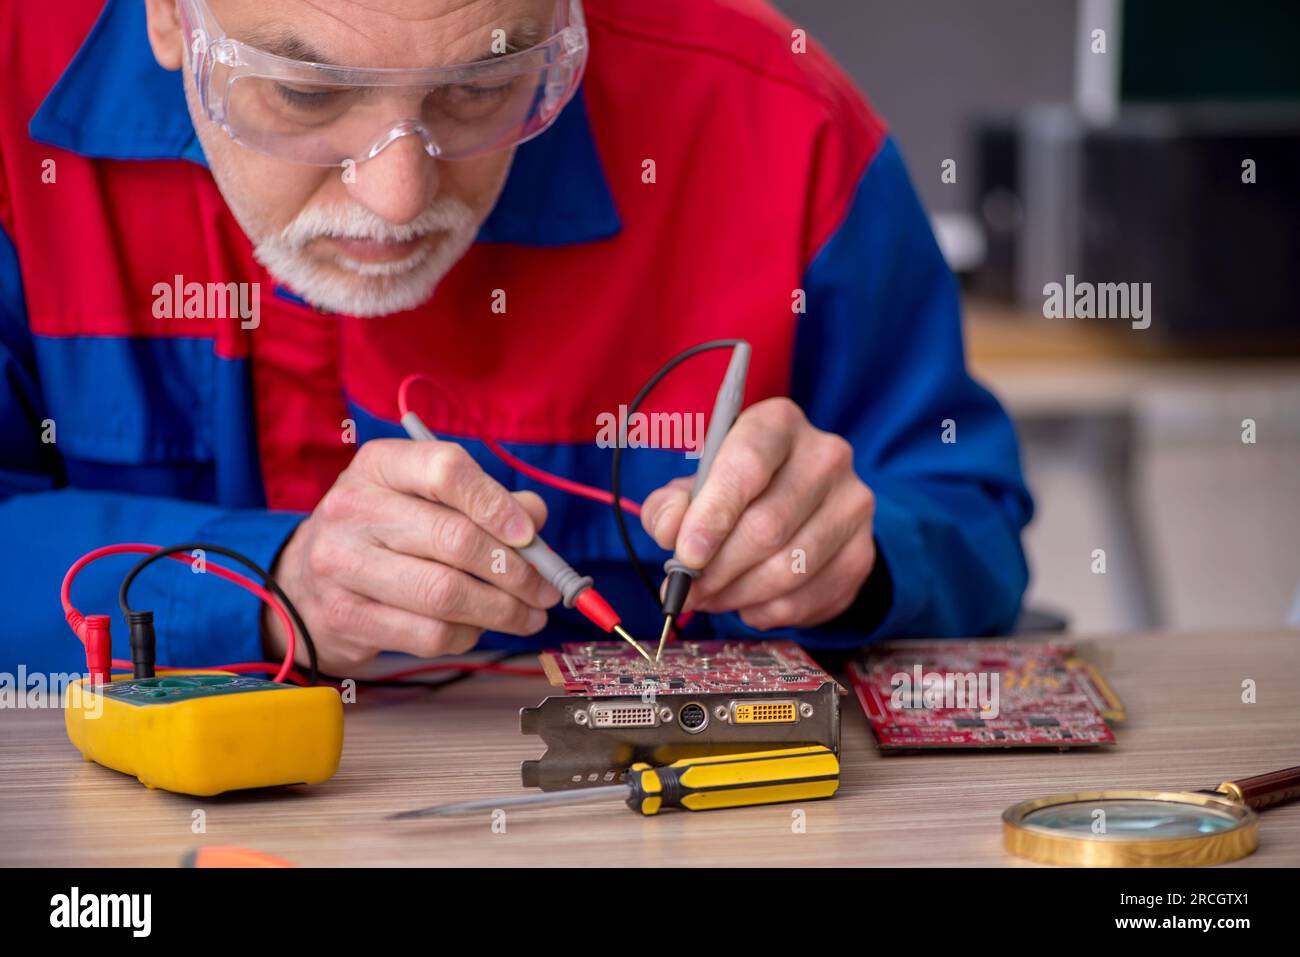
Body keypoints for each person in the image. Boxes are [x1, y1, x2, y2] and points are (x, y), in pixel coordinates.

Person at [0, 0, 1032, 675]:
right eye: (307, 92)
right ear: (173, 21)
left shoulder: (772, 122)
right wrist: (259, 589)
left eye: (479, 90)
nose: (395, 199)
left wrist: (858, 556)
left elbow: (964, 514)